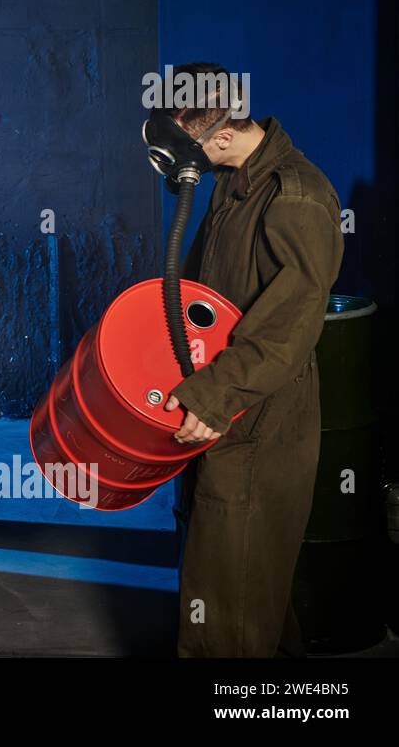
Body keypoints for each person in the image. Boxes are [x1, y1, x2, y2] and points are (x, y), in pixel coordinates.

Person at [164, 64, 343, 657]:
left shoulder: (296, 196)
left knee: (226, 612)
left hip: (260, 412)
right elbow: (197, 297)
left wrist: (215, 399)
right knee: (247, 586)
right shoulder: (232, 184)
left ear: (219, 136)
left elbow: (289, 327)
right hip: (229, 398)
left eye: (183, 141)